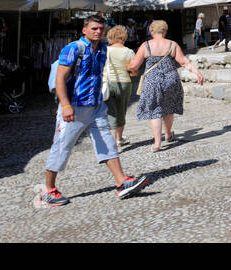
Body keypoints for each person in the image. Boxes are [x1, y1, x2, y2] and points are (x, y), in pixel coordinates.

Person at [37, 13, 148, 207]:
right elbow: (60, 79)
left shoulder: (103, 49)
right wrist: (65, 105)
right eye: (94, 29)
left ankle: (122, 182)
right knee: (62, 147)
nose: (98, 32)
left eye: (101, 29)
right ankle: (48, 190)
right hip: (75, 106)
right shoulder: (73, 49)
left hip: (96, 106)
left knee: (107, 143)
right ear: (84, 30)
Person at [128, 20, 199, 151]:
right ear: (165, 31)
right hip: (170, 79)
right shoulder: (172, 44)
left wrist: (128, 68)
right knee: (169, 107)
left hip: (152, 81)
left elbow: (134, 65)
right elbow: (183, 61)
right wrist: (197, 72)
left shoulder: (146, 45)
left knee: (155, 111)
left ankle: (157, 144)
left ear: (151, 31)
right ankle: (168, 134)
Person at [104, 25, 137, 149]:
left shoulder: (104, 50)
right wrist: (132, 72)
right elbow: (133, 71)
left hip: (107, 83)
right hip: (124, 83)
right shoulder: (129, 52)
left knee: (111, 112)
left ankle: (112, 143)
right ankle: (118, 139)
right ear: (124, 37)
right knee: (121, 111)